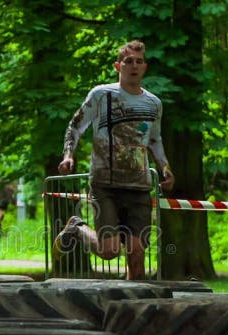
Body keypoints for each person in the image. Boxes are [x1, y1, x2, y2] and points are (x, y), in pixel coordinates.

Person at [53, 40, 175, 280]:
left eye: (139, 61)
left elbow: (154, 140)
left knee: (137, 256)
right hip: (105, 183)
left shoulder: (154, 103)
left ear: (145, 67)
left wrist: (165, 168)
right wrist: (68, 155)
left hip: (139, 186)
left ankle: (132, 312)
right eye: (128, 61)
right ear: (118, 66)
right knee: (110, 251)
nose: (134, 66)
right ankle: (77, 227)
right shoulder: (101, 95)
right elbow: (75, 126)